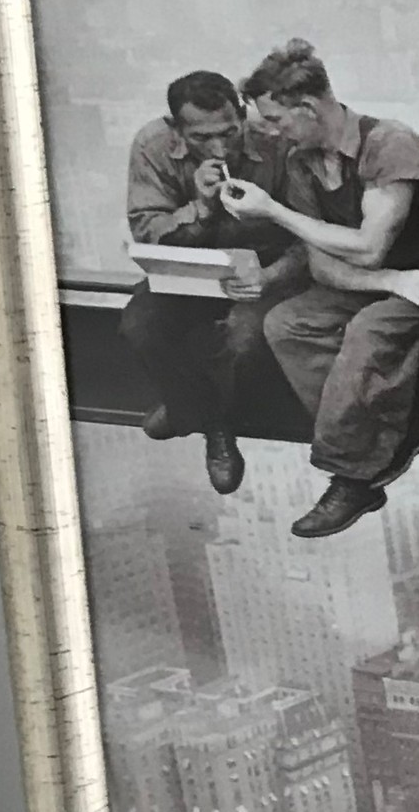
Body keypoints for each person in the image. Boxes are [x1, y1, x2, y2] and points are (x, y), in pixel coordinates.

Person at [219, 40, 419, 538]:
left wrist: (273, 211)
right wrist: (388, 281)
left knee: (370, 330)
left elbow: (369, 246)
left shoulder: (389, 144)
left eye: (277, 119)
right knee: (287, 323)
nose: (272, 131)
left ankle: (352, 477)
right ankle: (392, 433)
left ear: (307, 108)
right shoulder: (303, 160)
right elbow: (322, 264)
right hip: (389, 280)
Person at [119, 69, 306, 494]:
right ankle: (209, 422)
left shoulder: (277, 141)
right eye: (202, 138)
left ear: (241, 116)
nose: (220, 148)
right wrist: (201, 209)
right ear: (177, 129)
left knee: (244, 341)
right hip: (190, 267)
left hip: (264, 269)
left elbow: (309, 233)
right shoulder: (152, 146)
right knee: (139, 326)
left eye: (229, 132)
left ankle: (190, 411)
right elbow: (147, 232)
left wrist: (271, 276)